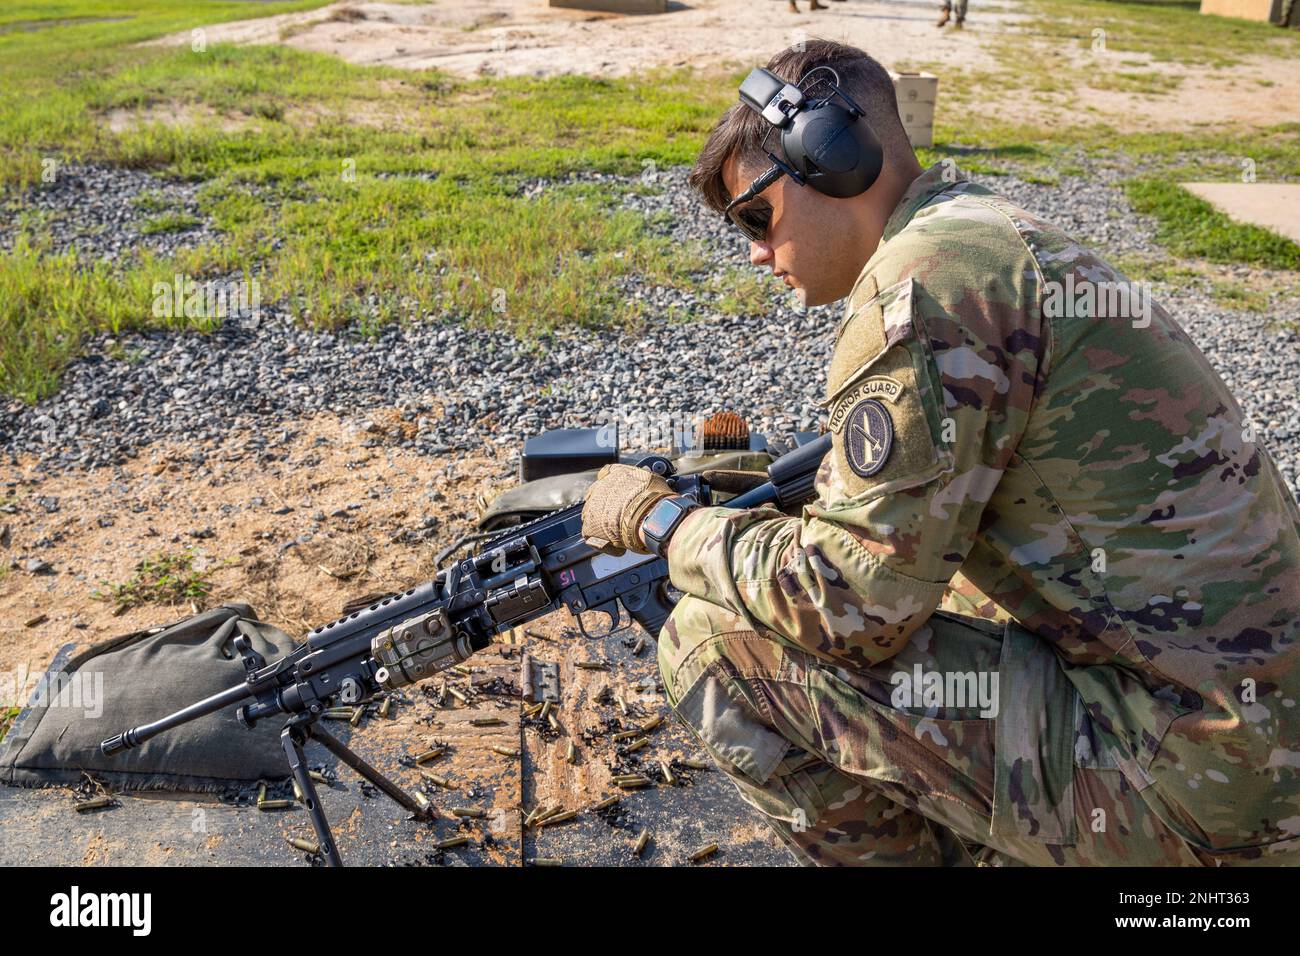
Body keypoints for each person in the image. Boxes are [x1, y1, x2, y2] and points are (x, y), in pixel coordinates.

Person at [580, 39, 1300, 866]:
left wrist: (666, 524)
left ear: (833, 162)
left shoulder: (922, 289)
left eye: (755, 216)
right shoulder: (977, 234)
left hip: (1202, 786)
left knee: (710, 644)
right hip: (1245, 732)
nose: (752, 251)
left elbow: (851, 610)